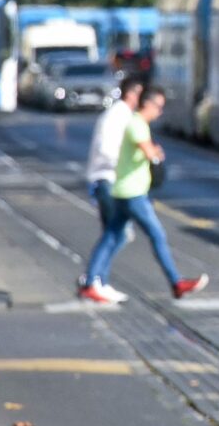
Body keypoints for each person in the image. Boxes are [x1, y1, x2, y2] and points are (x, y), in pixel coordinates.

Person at [79, 87, 208, 303]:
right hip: (133, 193)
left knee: (112, 235)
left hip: (123, 190)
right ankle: (176, 282)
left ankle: (91, 282)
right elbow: (150, 153)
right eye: (158, 106)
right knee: (157, 235)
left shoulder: (136, 123)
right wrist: (155, 152)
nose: (160, 112)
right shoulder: (137, 124)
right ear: (147, 104)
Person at [78, 77, 143, 304]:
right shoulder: (118, 116)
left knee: (114, 233)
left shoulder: (122, 115)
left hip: (109, 180)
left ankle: (98, 281)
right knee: (117, 233)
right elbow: (106, 149)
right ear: (132, 94)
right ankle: (93, 281)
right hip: (107, 180)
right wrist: (123, 165)